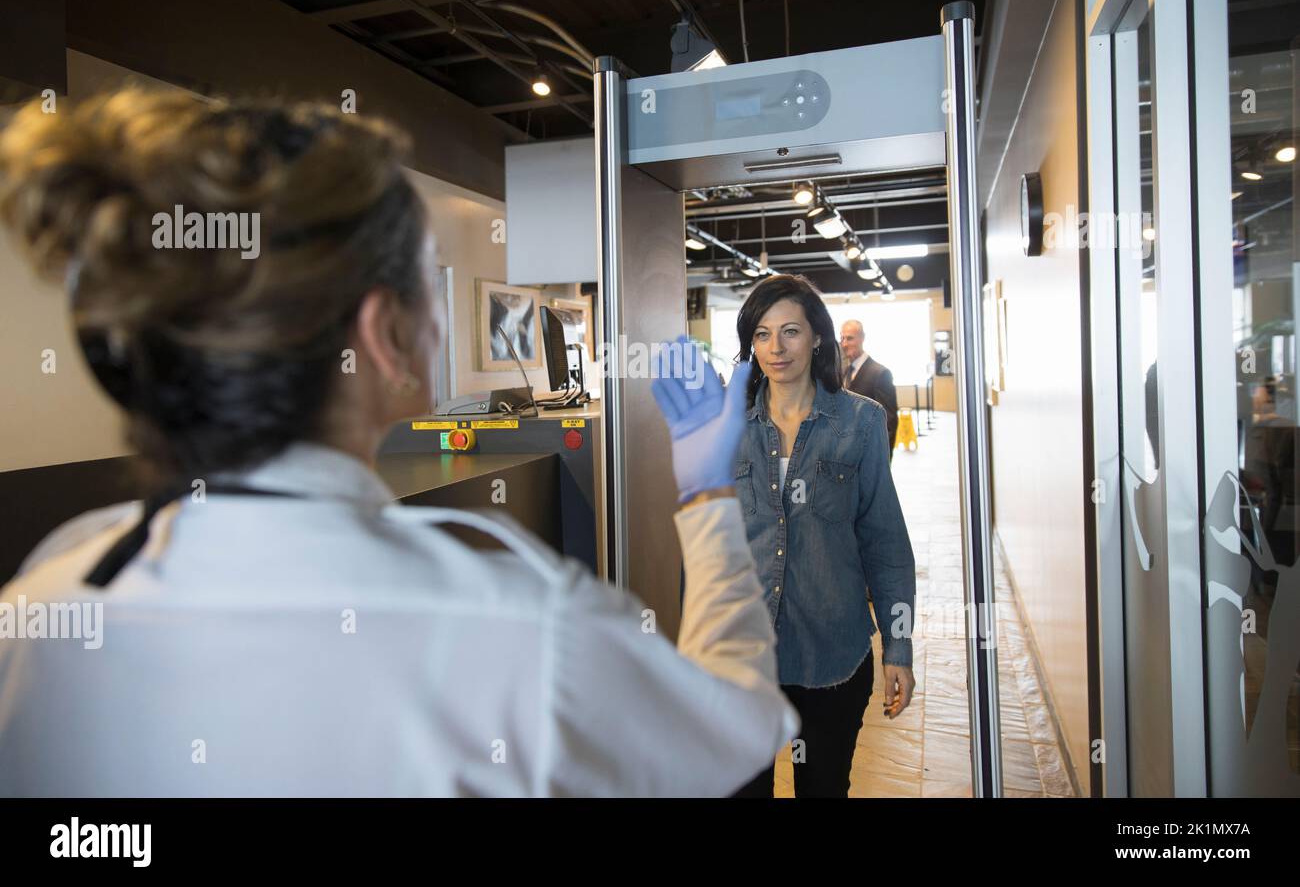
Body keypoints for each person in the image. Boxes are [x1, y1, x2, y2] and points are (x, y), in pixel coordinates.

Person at [0, 88, 798, 796]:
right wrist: (707, 492)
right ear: (384, 332)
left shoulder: (34, 615)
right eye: (427, 284)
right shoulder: (527, 629)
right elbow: (740, 725)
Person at [731, 276, 915, 798]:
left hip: (830, 658)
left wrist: (898, 647)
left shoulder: (860, 422)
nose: (776, 348)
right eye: (763, 335)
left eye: (790, 331)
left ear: (817, 337)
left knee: (823, 789)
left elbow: (886, 544)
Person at [840, 319, 900, 460]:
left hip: (870, 455)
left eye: (849, 338)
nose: (844, 344)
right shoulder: (843, 372)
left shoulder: (880, 373)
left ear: (862, 338)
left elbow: (889, 422)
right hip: (847, 455)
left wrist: (883, 460)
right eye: (842, 338)